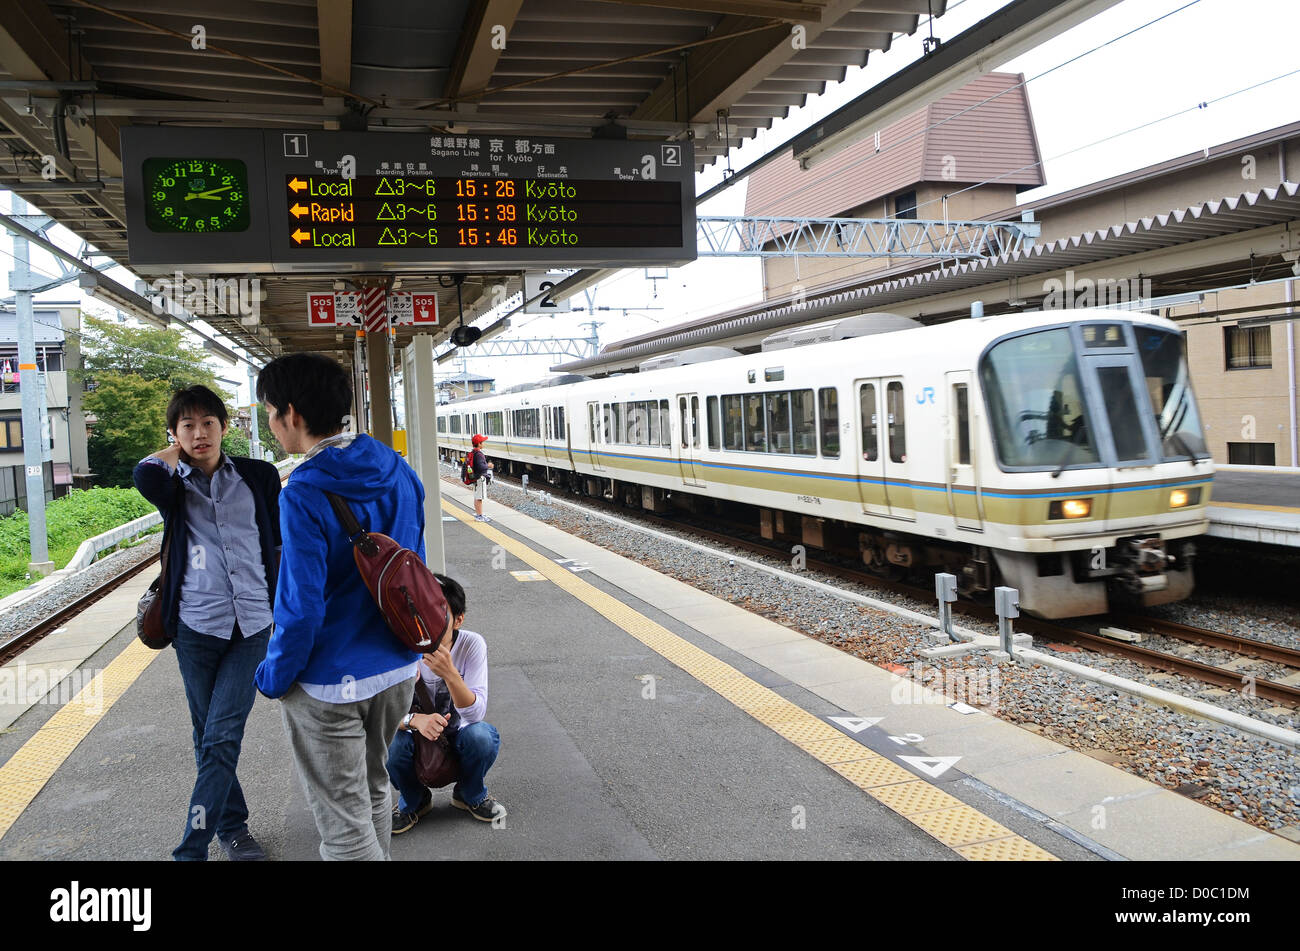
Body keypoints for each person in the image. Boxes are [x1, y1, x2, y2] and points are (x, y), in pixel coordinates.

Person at [254, 352, 425, 861]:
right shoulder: (396, 467)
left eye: (269, 412)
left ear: (292, 414)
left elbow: (301, 610)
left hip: (330, 682)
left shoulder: (303, 493)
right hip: (397, 668)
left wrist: (274, 675)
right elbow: (414, 564)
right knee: (373, 789)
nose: (270, 424)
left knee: (342, 827)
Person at [132, 385, 281, 862]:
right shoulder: (172, 487)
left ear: (225, 427)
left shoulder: (259, 476)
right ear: (173, 435)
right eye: (188, 426)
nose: (200, 434)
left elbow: (276, 544)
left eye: (209, 423)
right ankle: (233, 829)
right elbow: (144, 473)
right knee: (207, 737)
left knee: (220, 735)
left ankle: (190, 850)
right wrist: (174, 454)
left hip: (254, 623)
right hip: (196, 627)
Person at [385, 574, 505, 833]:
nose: (428, 625)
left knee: (483, 736)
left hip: (458, 736)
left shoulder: (471, 644)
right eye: (422, 614)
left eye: (439, 615)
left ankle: (470, 794)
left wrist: (450, 673)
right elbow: (378, 715)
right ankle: (414, 800)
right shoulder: (401, 647)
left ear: (459, 619)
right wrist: (414, 720)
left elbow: (475, 715)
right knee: (388, 742)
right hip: (416, 738)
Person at [468, 434, 494, 522]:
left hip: (475, 478)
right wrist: (488, 465)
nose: (483, 444)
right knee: (479, 497)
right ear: (479, 444)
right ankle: (479, 516)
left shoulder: (473, 452)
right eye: (482, 442)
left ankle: (478, 513)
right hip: (480, 478)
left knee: (476, 496)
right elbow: (481, 467)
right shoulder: (479, 454)